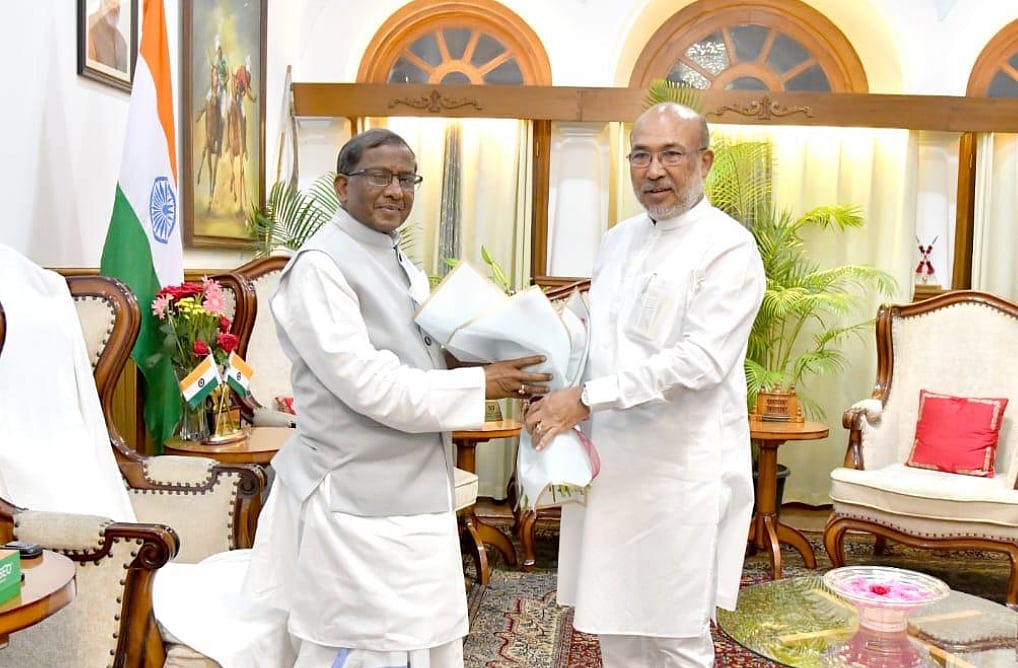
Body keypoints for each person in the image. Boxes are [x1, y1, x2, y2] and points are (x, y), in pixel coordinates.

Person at [248, 128, 551, 668]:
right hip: (357, 499)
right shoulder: (319, 267)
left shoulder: (399, 262)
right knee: (365, 647)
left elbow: (417, 354)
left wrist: (486, 354)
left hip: (415, 490)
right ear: (343, 186)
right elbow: (369, 384)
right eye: (380, 176)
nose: (396, 190)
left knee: (425, 643)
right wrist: (484, 383)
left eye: (407, 178)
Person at [523, 103, 765, 667]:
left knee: (675, 630)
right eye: (641, 155)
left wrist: (583, 399)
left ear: (704, 161)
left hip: (680, 471)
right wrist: (546, 360)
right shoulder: (618, 240)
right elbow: (600, 338)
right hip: (611, 466)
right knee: (613, 619)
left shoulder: (728, 247)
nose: (653, 170)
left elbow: (700, 361)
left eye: (671, 154)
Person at [86, 0, 128, 73]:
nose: (115, 7)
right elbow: (91, 73)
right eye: (111, 2)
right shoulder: (89, 25)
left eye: (118, 4)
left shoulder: (121, 41)